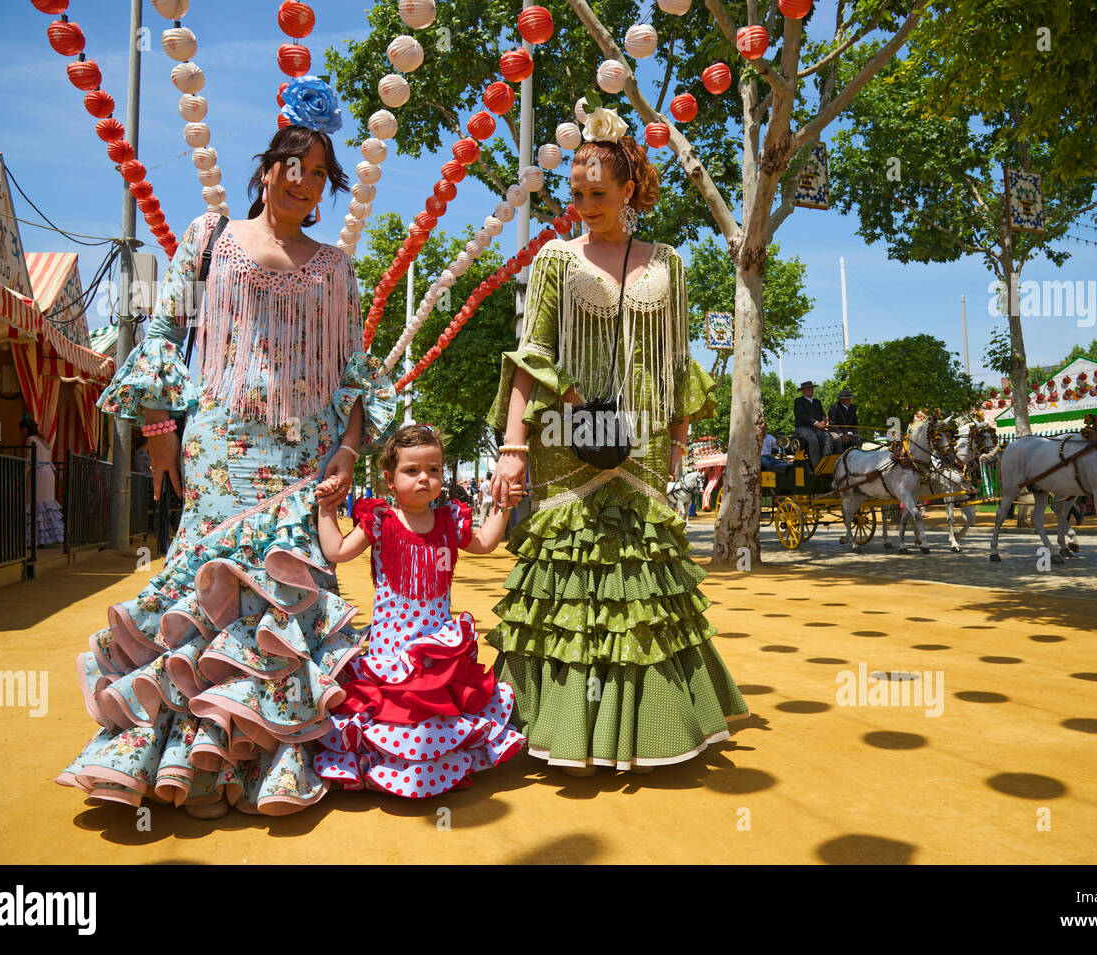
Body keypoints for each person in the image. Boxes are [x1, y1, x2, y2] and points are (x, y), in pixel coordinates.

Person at [56, 81, 397, 818]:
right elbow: (159, 337)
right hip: (218, 449)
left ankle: (266, 761)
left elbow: (354, 372)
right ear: (265, 168)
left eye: (315, 172)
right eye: (289, 164)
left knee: (283, 601)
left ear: (326, 189)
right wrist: (158, 437)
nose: (299, 180)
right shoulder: (210, 237)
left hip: (302, 459)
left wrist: (348, 449)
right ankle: (188, 757)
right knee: (206, 595)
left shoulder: (336, 268)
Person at [487, 108, 748, 776]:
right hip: (566, 441)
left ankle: (650, 729)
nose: (582, 206)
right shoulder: (553, 259)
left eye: (596, 194)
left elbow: (678, 357)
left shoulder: (669, 263)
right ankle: (555, 725)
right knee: (570, 583)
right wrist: (512, 451)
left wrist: (678, 441)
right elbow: (530, 354)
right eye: (574, 194)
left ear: (630, 188)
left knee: (638, 580)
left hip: (644, 439)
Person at [311, 424, 527, 796]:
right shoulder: (381, 520)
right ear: (389, 479)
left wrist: (504, 506)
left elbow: (488, 542)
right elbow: (337, 552)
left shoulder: (449, 520)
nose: (425, 478)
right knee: (397, 712)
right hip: (390, 646)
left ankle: (439, 768)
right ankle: (386, 768)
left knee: (435, 709)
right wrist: (326, 510)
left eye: (434, 470)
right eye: (412, 470)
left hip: (437, 643)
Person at [20, 414, 63, 546]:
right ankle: (49, 537)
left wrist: (21, 476)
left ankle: (37, 539)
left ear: (25, 429)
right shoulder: (43, 440)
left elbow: (30, 461)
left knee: (34, 502)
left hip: (38, 474)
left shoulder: (30, 439)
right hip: (48, 473)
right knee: (46, 505)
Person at [793, 380, 834, 463]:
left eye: (812, 389)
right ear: (803, 391)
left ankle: (825, 462)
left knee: (828, 437)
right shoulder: (798, 401)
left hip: (816, 429)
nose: (811, 391)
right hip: (803, 428)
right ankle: (816, 466)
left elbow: (823, 414)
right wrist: (815, 422)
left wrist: (823, 422)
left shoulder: (817, 402)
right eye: (809, 389)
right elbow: (801, 415)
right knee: (813, 440)